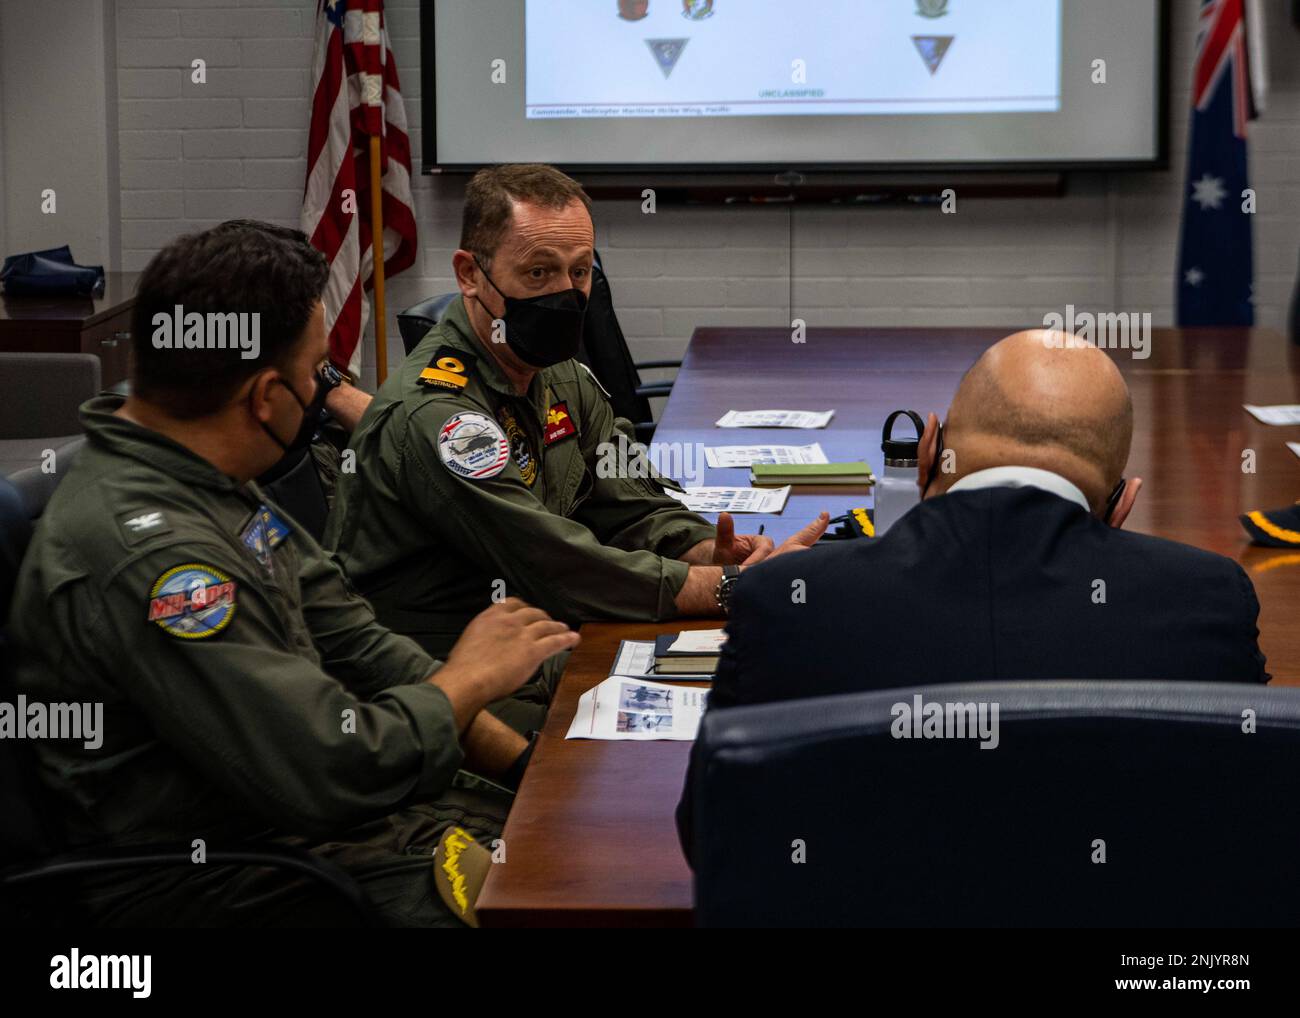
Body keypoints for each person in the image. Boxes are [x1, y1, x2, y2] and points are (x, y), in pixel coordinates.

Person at [6, 220, 579, 926]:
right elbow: (330, 770)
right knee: (566, 897)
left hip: (311, 828)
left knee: (571, 824)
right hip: (228, 879)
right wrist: (466, 678)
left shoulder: (207, 474)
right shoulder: (165, 566)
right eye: (316, 373)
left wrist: (522, 770)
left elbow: (360, 648)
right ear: (267, 396)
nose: (323, 391)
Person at [677, 329, 1270, 858]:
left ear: (929, 449)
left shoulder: (786, 600)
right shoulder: (1210, 600)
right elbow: (1247, 836)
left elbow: (710, 835)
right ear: (1122, 504)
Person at [325, 164, 824, 731]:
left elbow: (628, 501)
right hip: (439, 689)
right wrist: (730, 591)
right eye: (539, 273)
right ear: (470, 273)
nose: (565, 294)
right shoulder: (440, 416)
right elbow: (555, 562)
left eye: (580, 271)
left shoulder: (559, 374)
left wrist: (707, 551)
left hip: (543, 637)